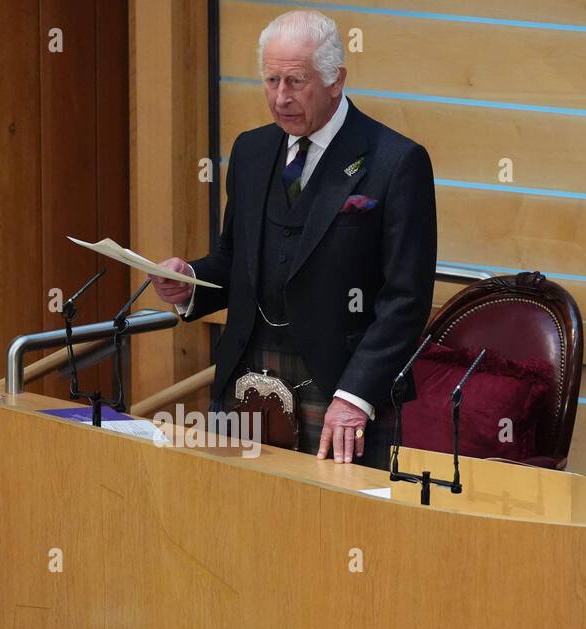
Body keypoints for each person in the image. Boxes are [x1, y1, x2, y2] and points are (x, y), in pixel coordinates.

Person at [149, 8, 436, 466]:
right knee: (237, 520)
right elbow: (233, 259)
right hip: (243, 380)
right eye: (270, 81)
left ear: (336, 80)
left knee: (334, 531)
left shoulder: (395, 163)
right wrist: (190, 281)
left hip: (340, 392)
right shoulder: (252, 150)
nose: (280, 98)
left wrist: (356, 395)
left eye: (296, 81)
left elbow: (406, 298)